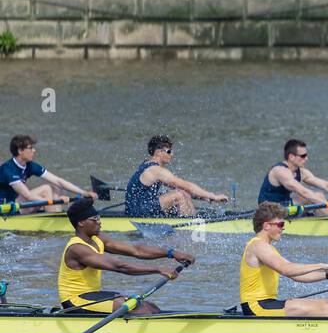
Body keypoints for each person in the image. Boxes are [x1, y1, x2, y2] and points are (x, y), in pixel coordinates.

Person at [58, 199, 194, 314]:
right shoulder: (77, 248)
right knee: (137, 309)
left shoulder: (98, 239)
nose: (99, 222)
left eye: (99, 218)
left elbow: (137, 250)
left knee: (149, 306)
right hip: (74, 302)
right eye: (94, 219)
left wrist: (171, 253)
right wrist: (158, 269)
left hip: (91, 296)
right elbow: (119, 266)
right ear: (81, 223)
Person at [239, 202, 328, 317]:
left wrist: (327, 276)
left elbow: (296, 275)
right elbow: (286, 270)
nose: (283, 228)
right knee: (325, 307)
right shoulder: (258, 246)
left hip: (267, 303)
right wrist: (321, 266)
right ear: (267, 225)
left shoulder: (267, 248)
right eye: (280, 224)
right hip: (257, 307)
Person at [123, 135, 229, 217]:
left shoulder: (148, 164)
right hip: (136, 211)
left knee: (183, 192)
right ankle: (190, 227)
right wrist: (213, 196)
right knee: (179, 195)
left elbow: (184, 189)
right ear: (159, 152)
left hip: (141, 206)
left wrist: (203, 196)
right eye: (169, 151)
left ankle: (193, 219)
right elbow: (187, 185)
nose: (172, 154)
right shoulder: (155, 170)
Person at [257, 139, 328, 211]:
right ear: (291, 157)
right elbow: (303, 192)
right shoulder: (280, 171)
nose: (306, 158)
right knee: (315, 197)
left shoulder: (302, 172)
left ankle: (325, 222)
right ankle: (327, 226)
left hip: (285, 206)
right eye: (303, 156)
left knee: (319, 195)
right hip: (268, 211)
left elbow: (326, 185)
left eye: (306, 155)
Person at [1, 134, 90, 208]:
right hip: (6, 208)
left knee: (55, 187)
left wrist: (83, 192)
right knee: (46, 189)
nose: (34, 150)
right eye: (30, 148)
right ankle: (53, 217)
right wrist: (57, 201)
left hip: (17, 202)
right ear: (20, 151)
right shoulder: (8, 169)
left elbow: (58, 181)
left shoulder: (30, 165)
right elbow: (27, 195)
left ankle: (55, 213)